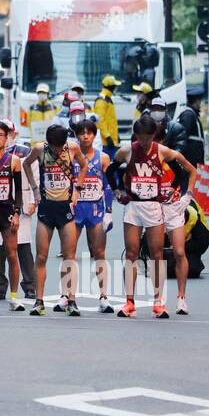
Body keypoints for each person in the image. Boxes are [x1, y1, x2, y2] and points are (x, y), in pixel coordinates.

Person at [114, 113, 197, 318]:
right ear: (136, 134)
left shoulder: (163, 151)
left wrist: (178, 191)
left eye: (148, 137)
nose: (144, 141)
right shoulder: (127, 151)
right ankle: (129, 302)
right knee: (131, 253)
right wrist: (117, 190)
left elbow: (184, 170)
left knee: (156, 254)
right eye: (141, 136)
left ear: (153, 135)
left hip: (154, 207)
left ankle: (159, 302)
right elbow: (111, 170)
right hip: (134, 206)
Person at [23, 123, 88, 316]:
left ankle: (71, 299)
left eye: (59, 146)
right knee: (41, 256)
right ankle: (39, 301)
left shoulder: (73, 148)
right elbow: (26, 164)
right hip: (46, 208)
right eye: (54, 146)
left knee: (70, 257)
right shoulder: (39, 149)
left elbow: (83, 166)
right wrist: (35, 189)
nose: (57, 150)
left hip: (65, 208)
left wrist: (78, 188)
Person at [72, 119, 114, 312]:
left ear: (94, 135)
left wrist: (109, 211)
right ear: (76, 136)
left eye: (89, 133)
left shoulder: (103, 158)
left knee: (99, 253)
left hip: (95, 209)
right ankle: (68, 296)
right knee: (69, 253)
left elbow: (108, 185)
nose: (85, 136)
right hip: (75, 209)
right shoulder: (70, 156)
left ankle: (104, 296)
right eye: (81, 133)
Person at [0, 120, 26, 311]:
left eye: (1, 135)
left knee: (12, 254)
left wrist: (17, 213)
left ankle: (15, 296)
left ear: (7, 137)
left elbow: (18, 191)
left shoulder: (14, 160)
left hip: (7, 211)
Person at [93, 75, 122, 152]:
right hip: (105, 143)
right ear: (111, 87)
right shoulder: (102, 100)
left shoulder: (107, 98)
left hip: (111, 140)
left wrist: (116, 135)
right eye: (115, 86)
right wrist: (108, 137)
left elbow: (110, 120)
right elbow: (100, 121)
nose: (116, 88)